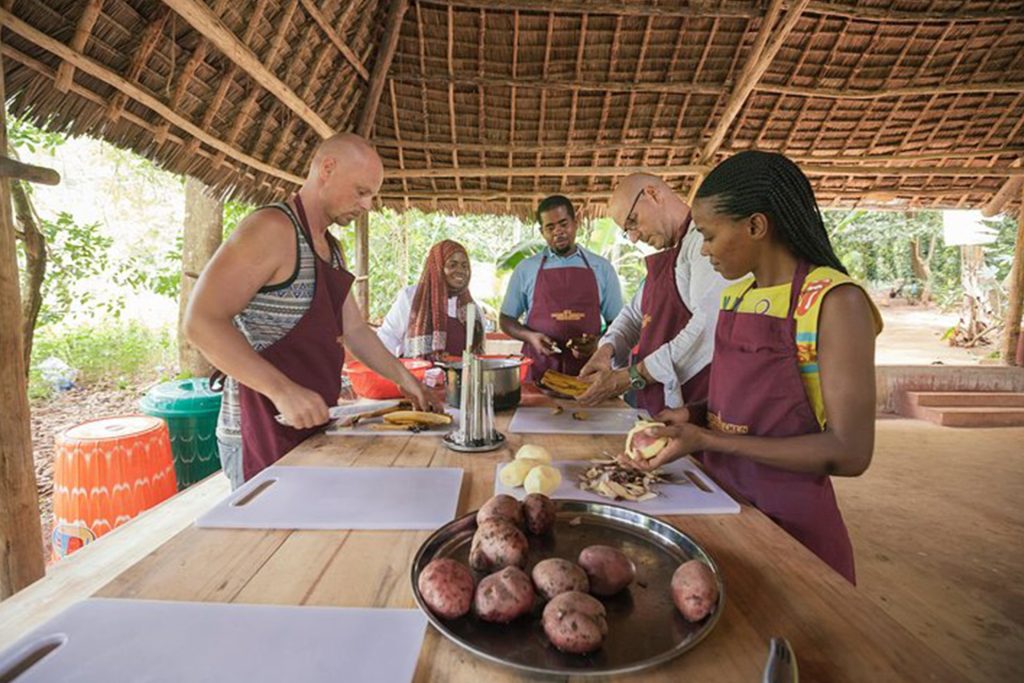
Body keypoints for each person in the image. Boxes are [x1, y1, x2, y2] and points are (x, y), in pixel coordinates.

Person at [623, 151, 882, 584]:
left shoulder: (833, 301)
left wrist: (710, 439)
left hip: (791, 522)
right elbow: (738, 406)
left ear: (756, 226)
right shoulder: (737, 296)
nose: (704, 250)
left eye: (709, 236)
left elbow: (850, 452)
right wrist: (692, 415)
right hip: (722, 501)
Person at [185, 133, 436, 489]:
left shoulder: (331, 249)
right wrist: (282, 390)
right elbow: (201, 321)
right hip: (258, 429)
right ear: (327, 169)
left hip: (309, 427)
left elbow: (355, 330)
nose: (367, 205)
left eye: (371, 195)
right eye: (361, 191)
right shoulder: (272, 229)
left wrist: (406, 380)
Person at [577, 174, 730, 414]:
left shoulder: (702, 242)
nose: (634, 237)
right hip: (657, 406)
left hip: (696, 404)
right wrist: (606, 350)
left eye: (633, 221)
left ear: (653, 194)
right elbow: (633, 315)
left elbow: (707, 327)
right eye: (627, 231)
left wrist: (632, 376)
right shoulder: (670, 255)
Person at [499, 195, 622, 382]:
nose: (558, 231)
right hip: (539, 370)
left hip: (589, 373)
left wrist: (598, 343)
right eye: (550, 227)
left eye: (564, 224)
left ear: (575, 224)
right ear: (542, 232)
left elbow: (618, 323)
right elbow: (506, 319)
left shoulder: (602, 268)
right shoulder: (526, 269)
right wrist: (530, 337)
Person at [376, 239, 484, 358]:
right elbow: (387, 338)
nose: (460, 270)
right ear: (437, 266)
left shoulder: (473, 309)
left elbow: (478, 354)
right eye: (452, 265)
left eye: (464, 266)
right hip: (417, 370)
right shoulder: (411, 297)